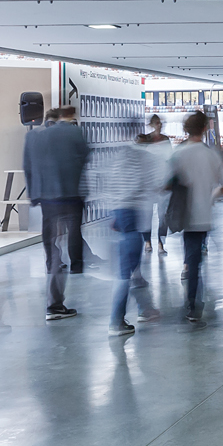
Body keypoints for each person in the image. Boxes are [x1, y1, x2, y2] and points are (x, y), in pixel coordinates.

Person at [84, 138, 167, 334]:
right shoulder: (145, 159)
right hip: (132, 220)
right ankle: (116, 321)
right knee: (125, 273)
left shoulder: (120, 158)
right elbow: (155, 185)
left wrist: (115, 214)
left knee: (134, 271)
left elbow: (110, 188)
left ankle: (145, 309)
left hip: (121, 216)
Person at [23, 104, 90, 320]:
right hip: (71, 196)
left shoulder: (33, 137)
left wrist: (34, 195)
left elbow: (28, 168)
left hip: (47, 199)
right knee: (74, 234)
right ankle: (76, 266)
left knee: (51, 247)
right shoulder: (73, 132)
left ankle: (54, 299)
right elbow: (85, 158)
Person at [170, 111, 223, 322]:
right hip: (205, 215)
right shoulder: (212, 154)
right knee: (196, 260)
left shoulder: (178, 154)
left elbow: (166, 182)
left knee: (192, 259)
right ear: (205, 128)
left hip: (185, 214)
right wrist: (214, 193)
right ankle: (194, 302)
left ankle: (192, 303)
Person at [136, 115, 171, 255]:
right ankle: (147, 241)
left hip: (162, 182)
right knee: (147, 214)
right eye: (156, 123)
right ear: (151, 124)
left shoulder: (165, 140)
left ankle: (161, 243)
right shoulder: (146, 140)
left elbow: (170, 159)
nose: (159, 125)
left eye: (160, 123)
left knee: (163, 216)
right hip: (149, 183)